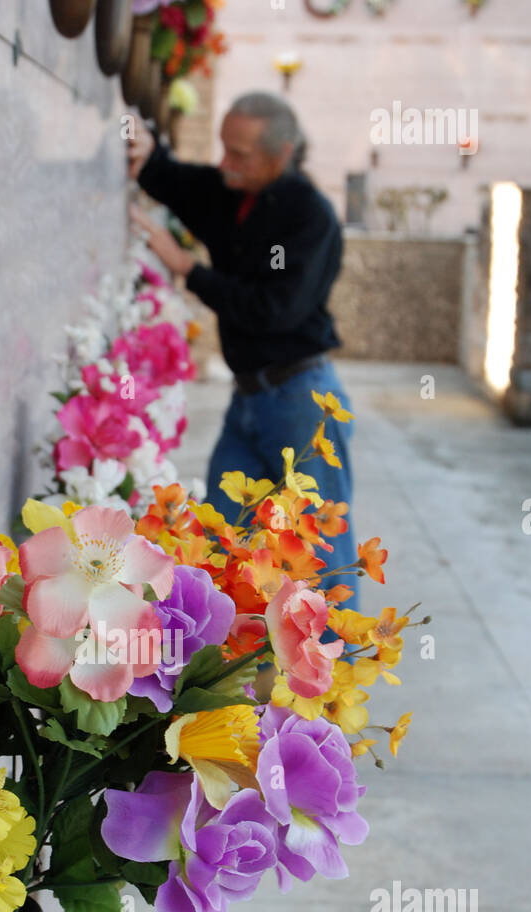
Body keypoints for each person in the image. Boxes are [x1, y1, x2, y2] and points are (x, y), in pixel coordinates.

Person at [127, 91, 357, 600]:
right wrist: (138, 141)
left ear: (282, 154)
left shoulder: (308, 217)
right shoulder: (235, 191)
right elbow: (177, 182)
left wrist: (189, 269)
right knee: (219, 534)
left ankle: (337, 671)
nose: (225, 163)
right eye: (223, 149)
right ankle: (218, 666)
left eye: (239, 155)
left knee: (321, 552)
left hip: (302, 400)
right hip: (249, 398)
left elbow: (274, 310)